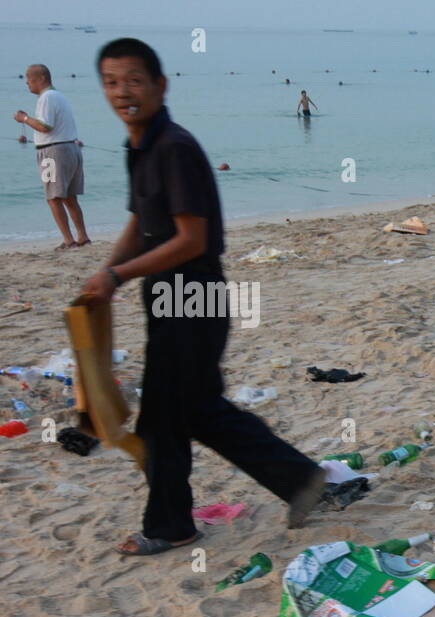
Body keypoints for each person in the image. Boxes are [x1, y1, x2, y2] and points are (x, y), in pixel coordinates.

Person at [79, 38, 325, 556]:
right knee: (194, 410)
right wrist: (105, 272)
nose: (122, 92)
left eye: (134, 80)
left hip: (194, 294)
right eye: (111, 82)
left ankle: (173, 525)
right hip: (169, 295)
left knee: (167, 417)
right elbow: (140, 222)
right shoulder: (139, 146)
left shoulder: (175, 148)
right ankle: (301, 482)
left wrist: (118, 276)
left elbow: (190, 239)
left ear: (160, 86)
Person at [14, 64, 90, 250]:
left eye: (29, 79)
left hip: (53, 152)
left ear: (41, 78)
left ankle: (69, 240)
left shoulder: (46, 98)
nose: (27, 83)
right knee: (69, 197)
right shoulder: (59, 96)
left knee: (53, 197)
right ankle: (82, 237)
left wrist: (24, 119)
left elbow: (45, 126)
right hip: (70, 148)